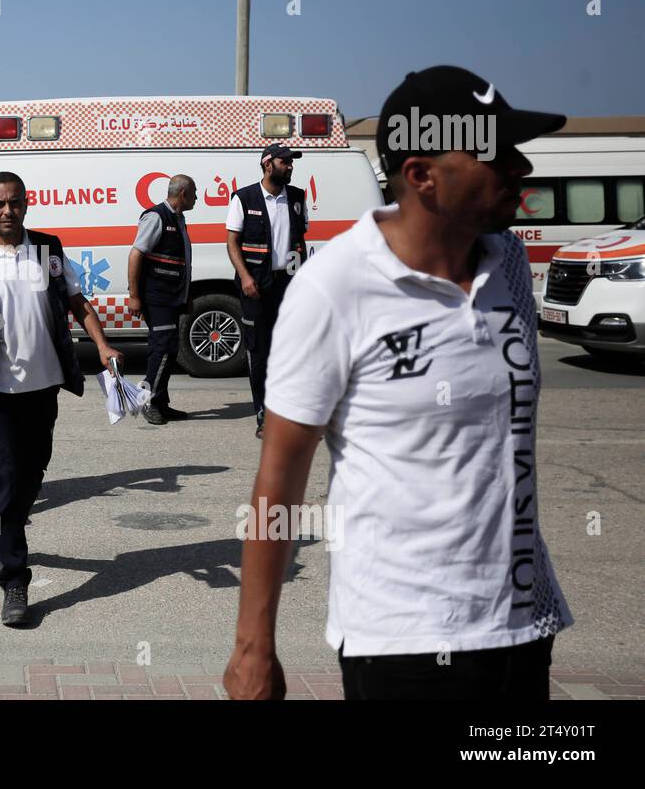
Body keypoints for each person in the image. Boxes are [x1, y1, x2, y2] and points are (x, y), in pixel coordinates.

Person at [223, 66, 573, 700]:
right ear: (421, 174)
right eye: (495, 153)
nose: (520, 167)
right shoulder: (335, 287)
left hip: (524, 625)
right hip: (404, 643)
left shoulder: (510, 265)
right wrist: (253, 646)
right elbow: (280, 477)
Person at [0, 171, 123, 626]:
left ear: (26, 203)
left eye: (15, 202)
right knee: (3, 482)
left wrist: (102, 345)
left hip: (42, 387)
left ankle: (8, 527)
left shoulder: (47, 250)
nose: (7, 211)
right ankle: (14, 578)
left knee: (33, 471)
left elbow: (78, 303)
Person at [226, 143, 308, 439]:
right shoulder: (243, 198)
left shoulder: (297, 197)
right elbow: (232, 242)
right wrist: (245, 276)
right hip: (256, 286)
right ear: (267, 164)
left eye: (291, 162)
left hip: (288, 285)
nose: (290, 166)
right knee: (259, 351)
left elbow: (299, 240)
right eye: (285, 162)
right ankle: (264, 414)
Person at [126, 174, 197, 425]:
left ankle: (161, 403)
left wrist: (186, 296)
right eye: (194, 193)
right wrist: (134, 296)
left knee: (169, 348)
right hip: (156, 297)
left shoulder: (178, 219)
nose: (197, 198)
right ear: (183, 193)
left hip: (172, 297)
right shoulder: (156, 217)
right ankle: (148, 401)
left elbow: (181, 263)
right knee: (162, 347)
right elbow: (136, 255)